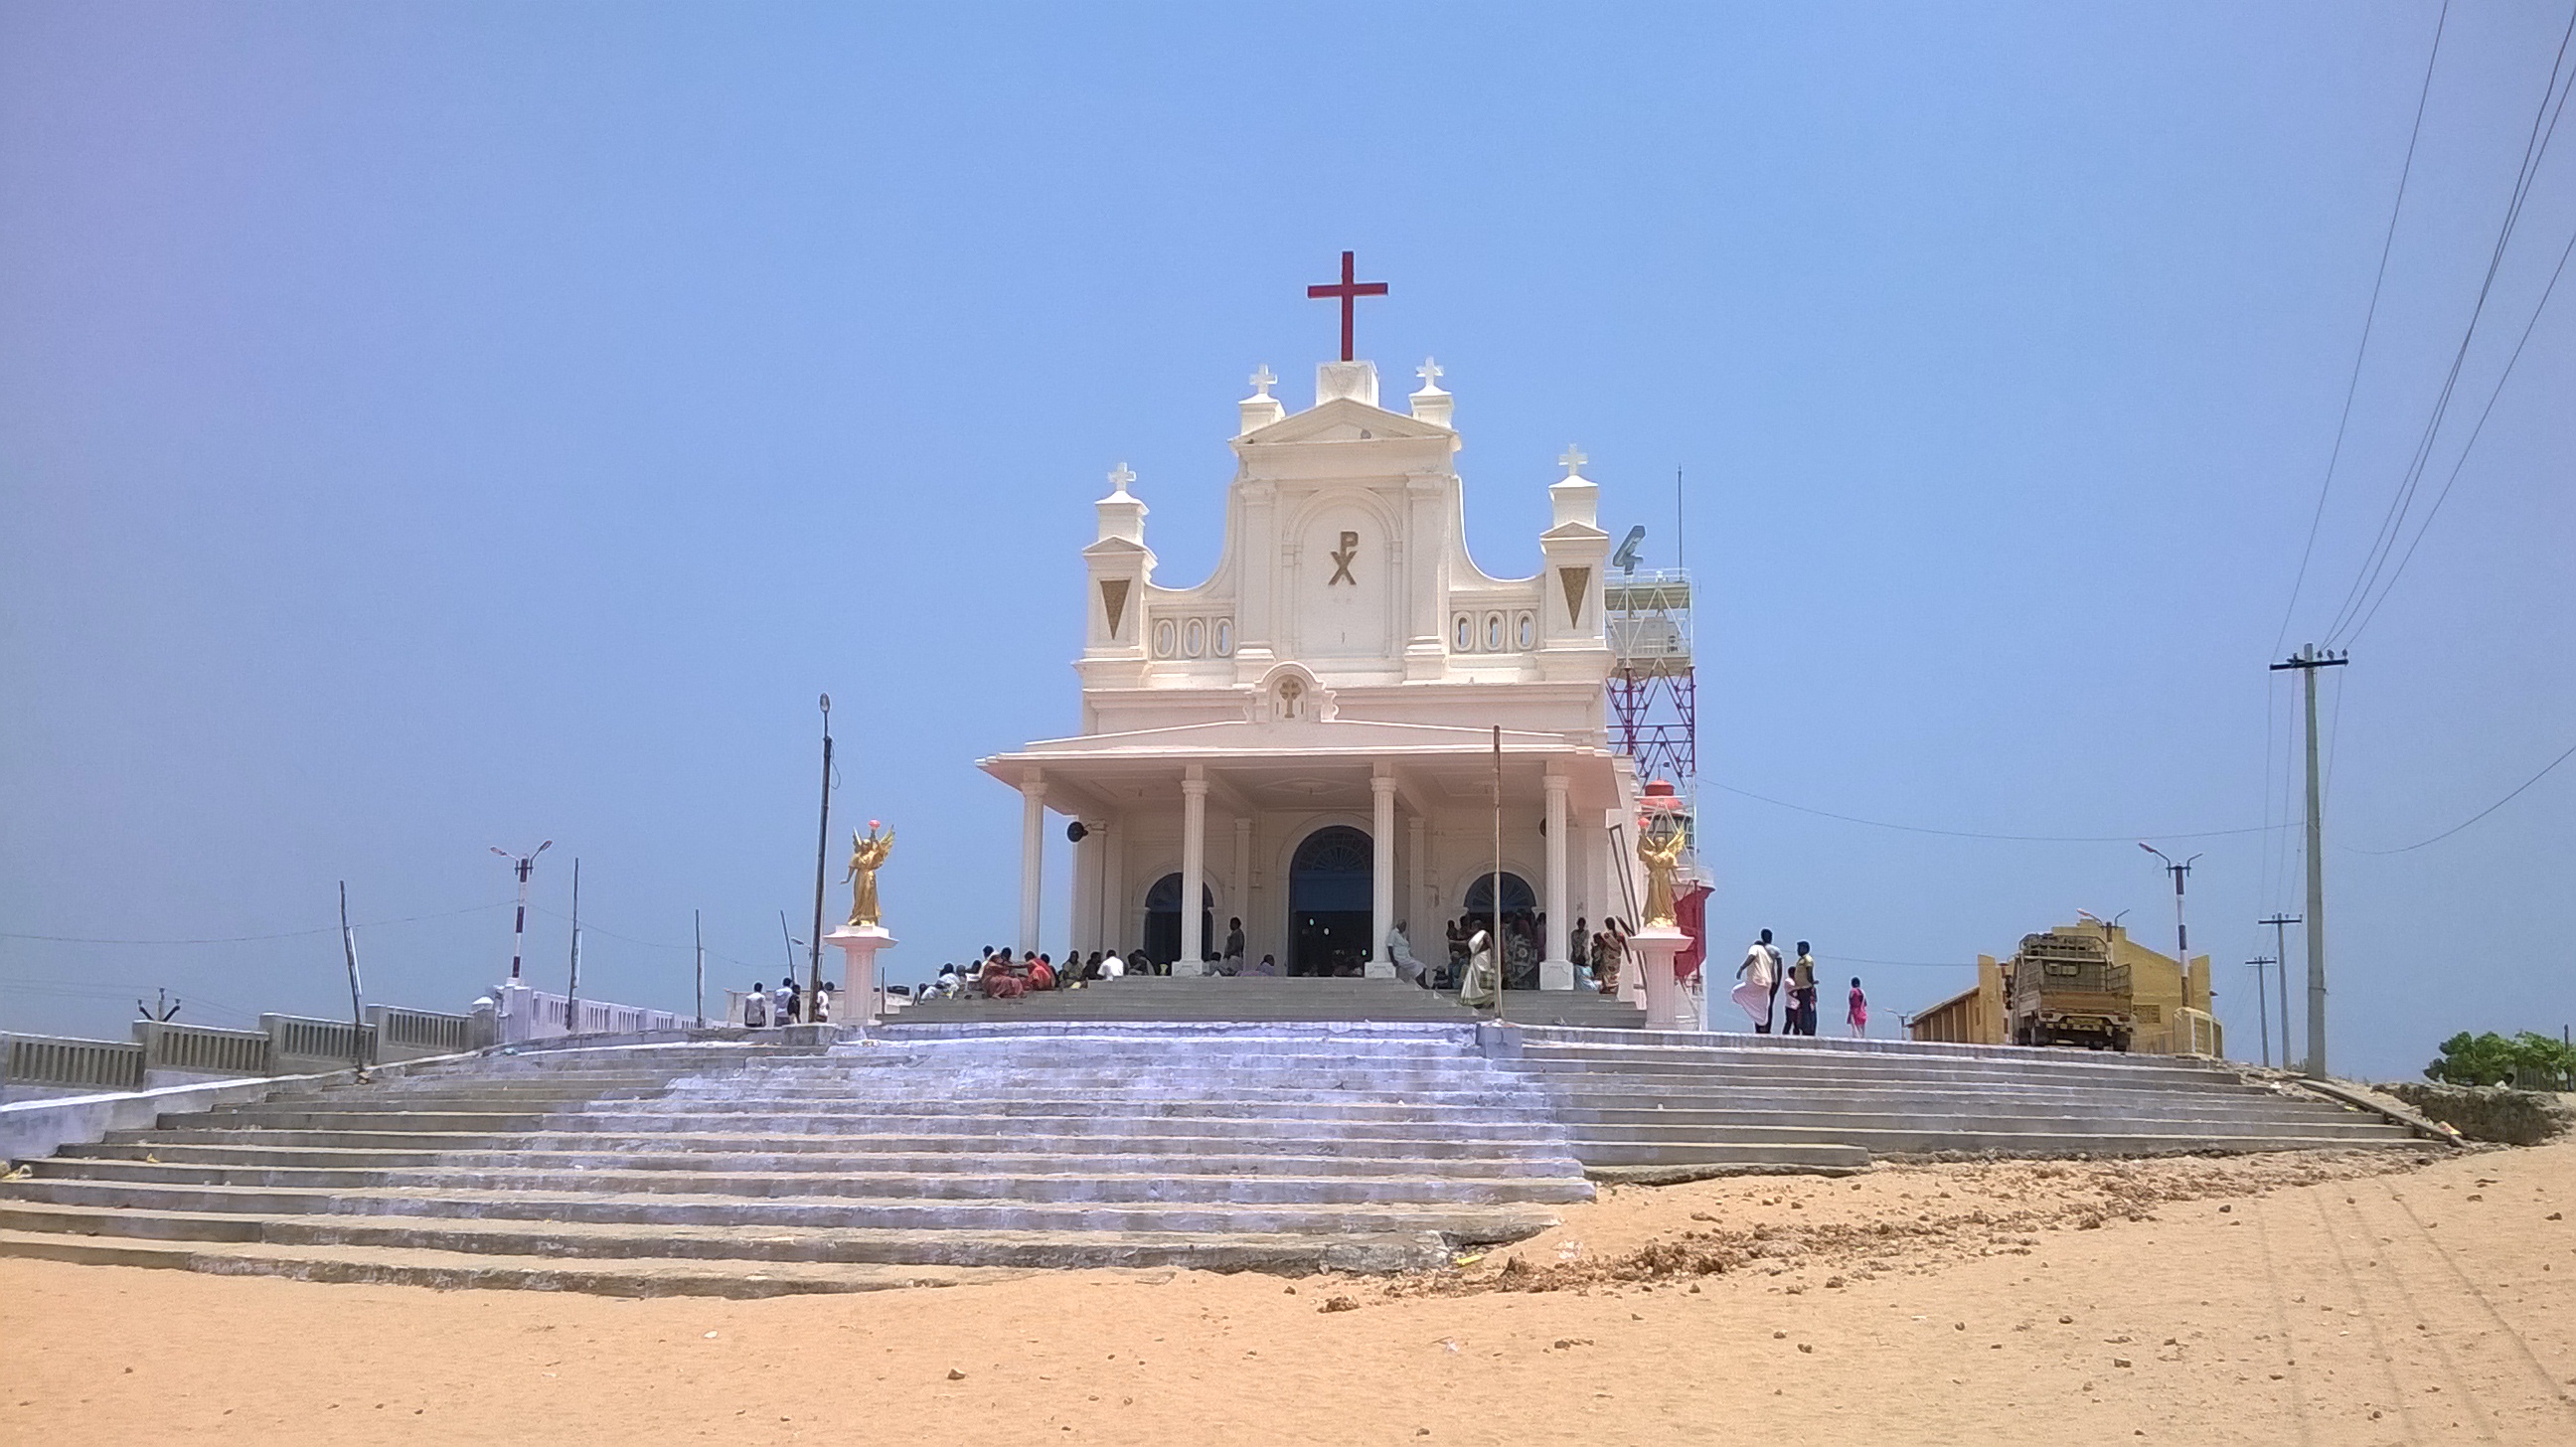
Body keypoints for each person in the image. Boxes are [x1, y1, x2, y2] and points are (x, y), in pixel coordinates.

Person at [1733, 930, 1779, 1033]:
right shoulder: (1768, 953)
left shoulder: (1755, 948)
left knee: (1736, 992)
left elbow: (1751, 956)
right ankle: (1763, 1026)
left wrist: (1741, 968)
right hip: (1767, 983)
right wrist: (1774, 981)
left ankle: (1753, 1013)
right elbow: (1772, 969)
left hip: (1756, 980)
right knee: (1763, 1006)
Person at [1458, 928, 1501, 1009]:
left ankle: (1488, 999)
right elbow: (1465, 943)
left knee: (1483, 978)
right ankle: (1476, 999)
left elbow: (1491, 946)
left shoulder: (1484, 934)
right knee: (1475, 979)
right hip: (1476, 959)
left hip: (1483, 958)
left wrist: (1493, 959)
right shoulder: (1474, 937)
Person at [1790, 942, 1819, 1036]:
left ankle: (1808, 1029)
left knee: (1807, 1010)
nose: (1797, 950)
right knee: (1802, 1010)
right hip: (1800, 988)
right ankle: (1803, 1027)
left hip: (1806, 988)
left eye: (1800, 948)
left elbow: (1809, 973)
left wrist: (1811, 983)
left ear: (1805, 949)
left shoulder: (1807, 959)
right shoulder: (1800, 960)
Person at [1387, 921, 1427, 987]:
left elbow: (1406, 946)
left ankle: (1422, 983)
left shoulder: (1403, 935)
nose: (1404, 928)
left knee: (1423, 967)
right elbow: (1390, 946)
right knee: (1419, 966)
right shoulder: (1394, 933)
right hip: (1400, 958)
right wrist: (1393, 959)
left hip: (1407, 957)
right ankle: (1421, 983)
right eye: (1403, 926)